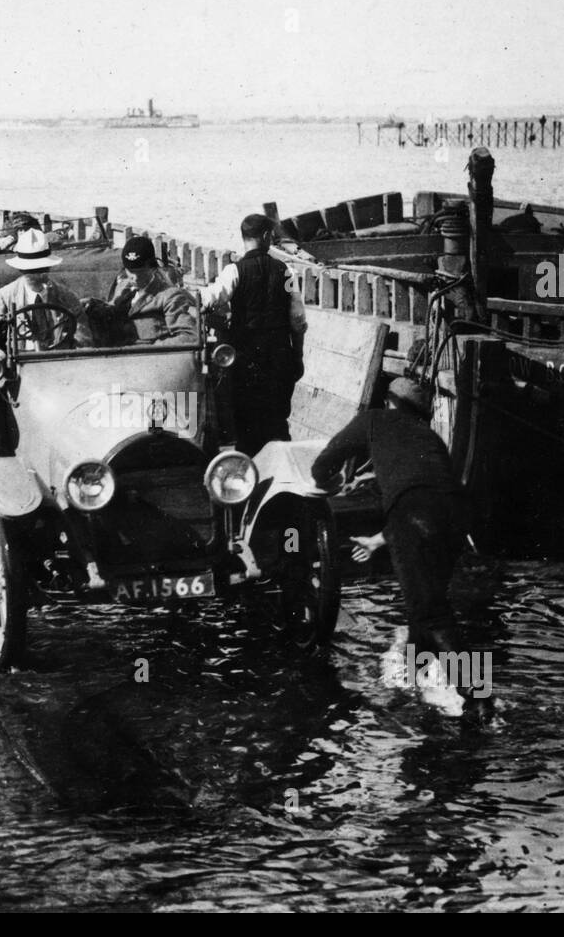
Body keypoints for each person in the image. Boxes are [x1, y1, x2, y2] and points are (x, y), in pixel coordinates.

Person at [311, 377, 469, 662]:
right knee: (425, 603)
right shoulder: (430, 438)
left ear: (390, 402)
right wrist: (378, 539)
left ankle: (479, 696)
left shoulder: (374, 420)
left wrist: (327, 481)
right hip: (455, 518)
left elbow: (325, 462)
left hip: (412, 513)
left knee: (433, 615)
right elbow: (430, 500)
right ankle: (415, 679)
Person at [200, 213, 307, 455]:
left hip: (245, 360)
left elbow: (209, 298)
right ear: (268, 236)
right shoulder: (287, 272)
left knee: (246, 424)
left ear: (244, 238)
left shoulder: (234, 271)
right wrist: (297, 358)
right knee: (278, 423)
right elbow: (298, 321)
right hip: (279, 359)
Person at [0, 228, 90, 352]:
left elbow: (83, 338)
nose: (37, 274)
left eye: (41, 268)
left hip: (58, 360)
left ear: (49, 267)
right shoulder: (4, 296)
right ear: (21, 269)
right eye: (30, 270)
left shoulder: (66, 297)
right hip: (20, 360)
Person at [88, 236, 198, 345]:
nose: (135, 277)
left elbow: (190, 337)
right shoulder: (122, 289)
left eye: (140, 272)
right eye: (131, 271)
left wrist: (149, 349)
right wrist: (104, 304)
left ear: (153, 268)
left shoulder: (169, 296)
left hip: (150, 359)